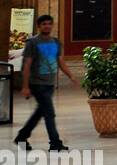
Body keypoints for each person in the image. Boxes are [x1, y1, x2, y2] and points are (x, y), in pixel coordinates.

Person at [13, 15, 77, 152]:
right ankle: (55, 143)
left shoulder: (56, 42)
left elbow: (60, 61)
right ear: (39, 26)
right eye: (44, 24)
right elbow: (27, 65)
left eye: (49, 24)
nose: (47, 26)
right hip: (37, 83)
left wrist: (71, 75)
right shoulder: (33, 43)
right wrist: (24, 86)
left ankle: (22, 137)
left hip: (49, 83)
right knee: (49, 113)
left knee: (40, 112)